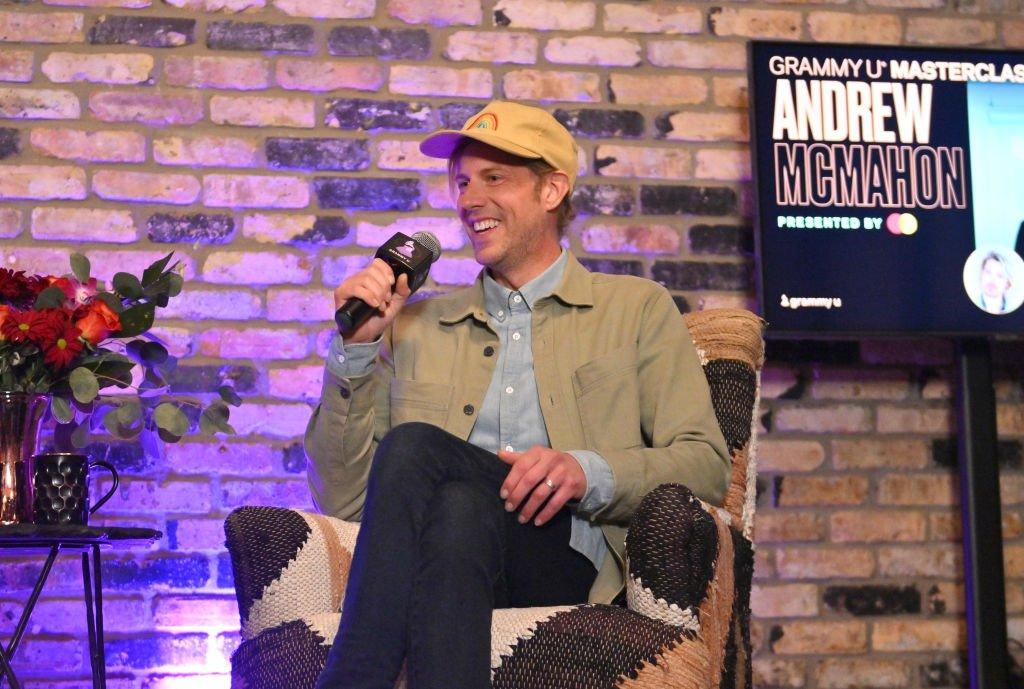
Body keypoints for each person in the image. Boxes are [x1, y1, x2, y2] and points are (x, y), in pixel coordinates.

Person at [305, 100, 731, 689]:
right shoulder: (413, 326)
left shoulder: (636, 309)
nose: (469, 199)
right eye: (462, 183)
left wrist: (585, 471)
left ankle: (353, 677)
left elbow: (706, 465)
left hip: (563, 559)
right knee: (458, 509)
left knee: (414, 447)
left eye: (494, 178)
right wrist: (356, 349)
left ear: (552, 189)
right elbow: (343, 498)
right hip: (448, 556)